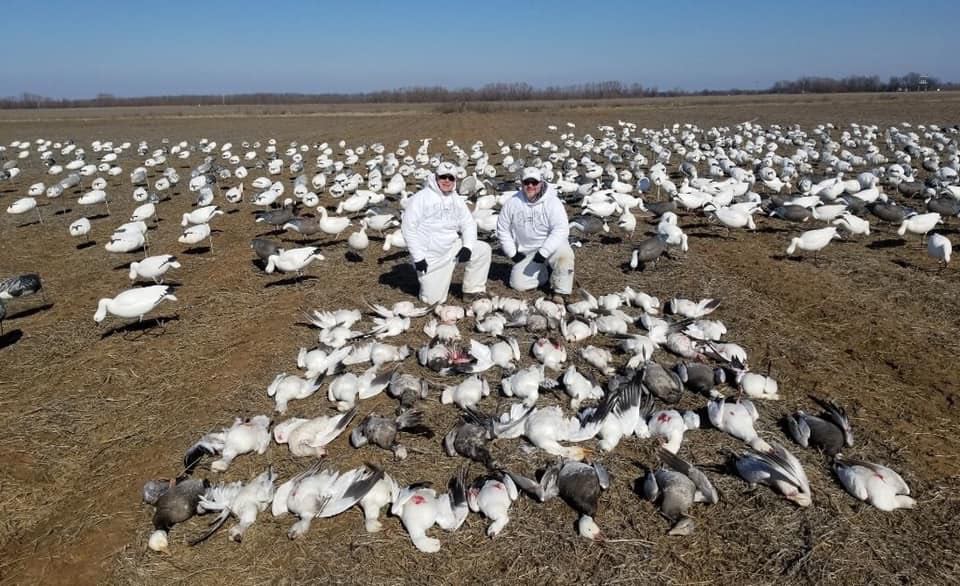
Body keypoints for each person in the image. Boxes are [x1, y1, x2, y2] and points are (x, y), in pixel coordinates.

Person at [400, 162, 491, 304]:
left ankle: (473, 291)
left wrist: (467, 246)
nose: (447, 181)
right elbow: (408, 229)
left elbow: (468, 223)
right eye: (443, 177)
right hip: (431, 257)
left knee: (483, 249)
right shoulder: (421, 198)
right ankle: (430, 286)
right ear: (436, 177)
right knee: (433, 301)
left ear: (455, 180)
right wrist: (418, 258)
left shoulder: (456, 199)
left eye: (451, 178)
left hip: (452, 248)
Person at [496, 167, 574, 301]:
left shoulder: (552, 202)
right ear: (522, 183)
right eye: (527, 182)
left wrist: (544, 252)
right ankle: (548, 272)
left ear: (541, 183)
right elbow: (502, 229)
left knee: (564, 255)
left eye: (534, 182)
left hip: (551, 248)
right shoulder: (512, 203)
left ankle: (561, 292)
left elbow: (561, 229)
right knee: (518, 284)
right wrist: (512, 253)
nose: (530, 186)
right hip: (529, 252)